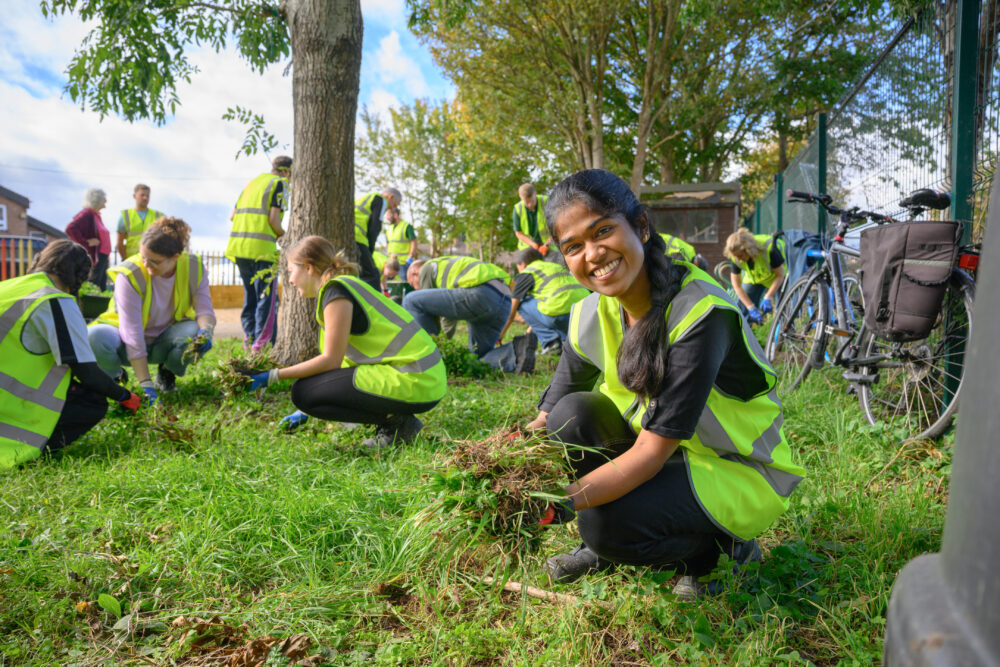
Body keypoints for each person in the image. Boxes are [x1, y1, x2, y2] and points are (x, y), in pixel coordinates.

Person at [528, 169, 804, 599]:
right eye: (574, 247)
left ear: (640, 226)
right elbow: (551, 411)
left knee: (601, 521)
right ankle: (604, 547)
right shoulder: (589, 313)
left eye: (603, 231)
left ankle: (718, 553)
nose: (594, 254)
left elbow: (651, 453)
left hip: (737, 470)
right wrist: (501, 460)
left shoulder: (700, 312)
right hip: (669, 458)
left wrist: (558, 503)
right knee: (571, 416)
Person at [243, 236, 447, 448]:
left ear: (308, 268)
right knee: (305, 394)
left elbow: (331, 361)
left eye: (291, 271)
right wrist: (304, 410)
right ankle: (397, 422)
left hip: (416, 378)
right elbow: (342, 366)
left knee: (303, 393)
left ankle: (399, 426)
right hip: (423, 377)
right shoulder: (342, 288)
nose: (290, 280)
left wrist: (272, 376)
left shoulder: (335, 292)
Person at [1, 240, 141, 469]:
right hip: (10, 407)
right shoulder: (55, 301)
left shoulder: (9, 286)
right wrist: (124, 396)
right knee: (92, 401)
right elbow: (86, 371)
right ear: (79, 277)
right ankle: (32, 450)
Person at [88, 217, 215, 403]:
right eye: (143, 257)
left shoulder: (193, 267)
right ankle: (115, 377)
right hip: (124, 341)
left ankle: (167, 372)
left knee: (194, 333)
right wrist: (146, 384)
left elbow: (205, 310)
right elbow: (132, 333)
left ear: (175, 258)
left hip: (165, 338)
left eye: (154, 262)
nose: (146, 265)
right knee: (94, 336)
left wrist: (207, 331)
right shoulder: (130, 274)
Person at [226, 155, 291, 350]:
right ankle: (262, 346)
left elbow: (232, 216)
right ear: (287, 171)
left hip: (239, 247)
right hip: (262, 249)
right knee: (267, 300)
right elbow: (274, 220)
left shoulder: (252, 183)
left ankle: (249, 339)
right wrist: (286, 236)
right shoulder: (281, 184)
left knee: (251, 298)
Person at [403, 255, 511, 358]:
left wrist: (439, 346)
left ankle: (431, 358)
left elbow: (430, 314)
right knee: (478, 358)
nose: (416, 289)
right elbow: (448, 316)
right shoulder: (448, 264)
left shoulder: (427, 268)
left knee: (411, 300)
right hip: (504, 301)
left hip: (482, 293)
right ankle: (517, 353)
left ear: (415, 273)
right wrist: (444, 343)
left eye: (413, 285)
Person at [498, 247, 589, 355]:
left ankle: (551, 343)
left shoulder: (527, 272)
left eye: (518, 268)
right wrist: (527, 334)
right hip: (586, 314)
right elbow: (537, 316)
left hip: (562, 316)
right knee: (544, 302)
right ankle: (565, 341)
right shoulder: (556, 266)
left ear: (523, 264)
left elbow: (511, 313)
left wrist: (499, 336)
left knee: (522, 302)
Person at [724, 228, 786, 325]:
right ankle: (746, 332)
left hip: (780, 276)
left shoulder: (770, 249)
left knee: (783, 309)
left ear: (748, 250)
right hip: (756, 276)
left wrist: (768, 297)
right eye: (735, 256)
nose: (738, 260)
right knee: (743, 305)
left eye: (740, 256)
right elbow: (736, 285)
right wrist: (751, 307)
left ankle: (784, 333)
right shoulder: (736, 255)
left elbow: (780, 275)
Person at [355, 188, 402, 291]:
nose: (392, 208)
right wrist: (370, 248)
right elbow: (375, 226)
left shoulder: (370, 197)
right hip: (358, 237)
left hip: (355, 235)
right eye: (394, 205)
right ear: (390, 197)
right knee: (372, 276)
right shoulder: (381, 201)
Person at [66, 188, 112, 290]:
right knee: (94, 285)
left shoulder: (96, 215)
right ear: (97, 199)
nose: (106, 200)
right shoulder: (87, 214)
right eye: (104, 198)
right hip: (95, 257)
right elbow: (70, 228)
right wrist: (85, 242)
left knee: (101, 286)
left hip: (102, 256)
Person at [116, 183, 163, 260]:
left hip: (153, 261)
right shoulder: (125, 216)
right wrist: (125, 260)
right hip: (132, 261)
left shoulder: (159, 216)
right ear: (134, 196)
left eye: (148, 196)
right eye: (142, 195)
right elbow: (119, 242)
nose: (145, 198)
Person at [513, 183, 553, 254]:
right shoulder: (517, 209)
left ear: (535, 193)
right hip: (528, 247)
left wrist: (547, 245)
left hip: (550, 244)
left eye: (532, 201)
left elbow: (558, 226)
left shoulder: (547, 201)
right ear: (521, 197)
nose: (530, 205)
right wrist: (534, 245)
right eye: (527, 202)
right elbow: (519, 233)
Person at [384, 208, 418, 280]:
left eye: (388, 215)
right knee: (387, 283)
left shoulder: (406, 226)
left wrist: (410, 256)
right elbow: (388, 242)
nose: (387, 218)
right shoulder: (389, 228)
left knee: (404, 283)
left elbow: (414, 241)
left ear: (395, 215)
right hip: (391, 262)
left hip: (403, 262)